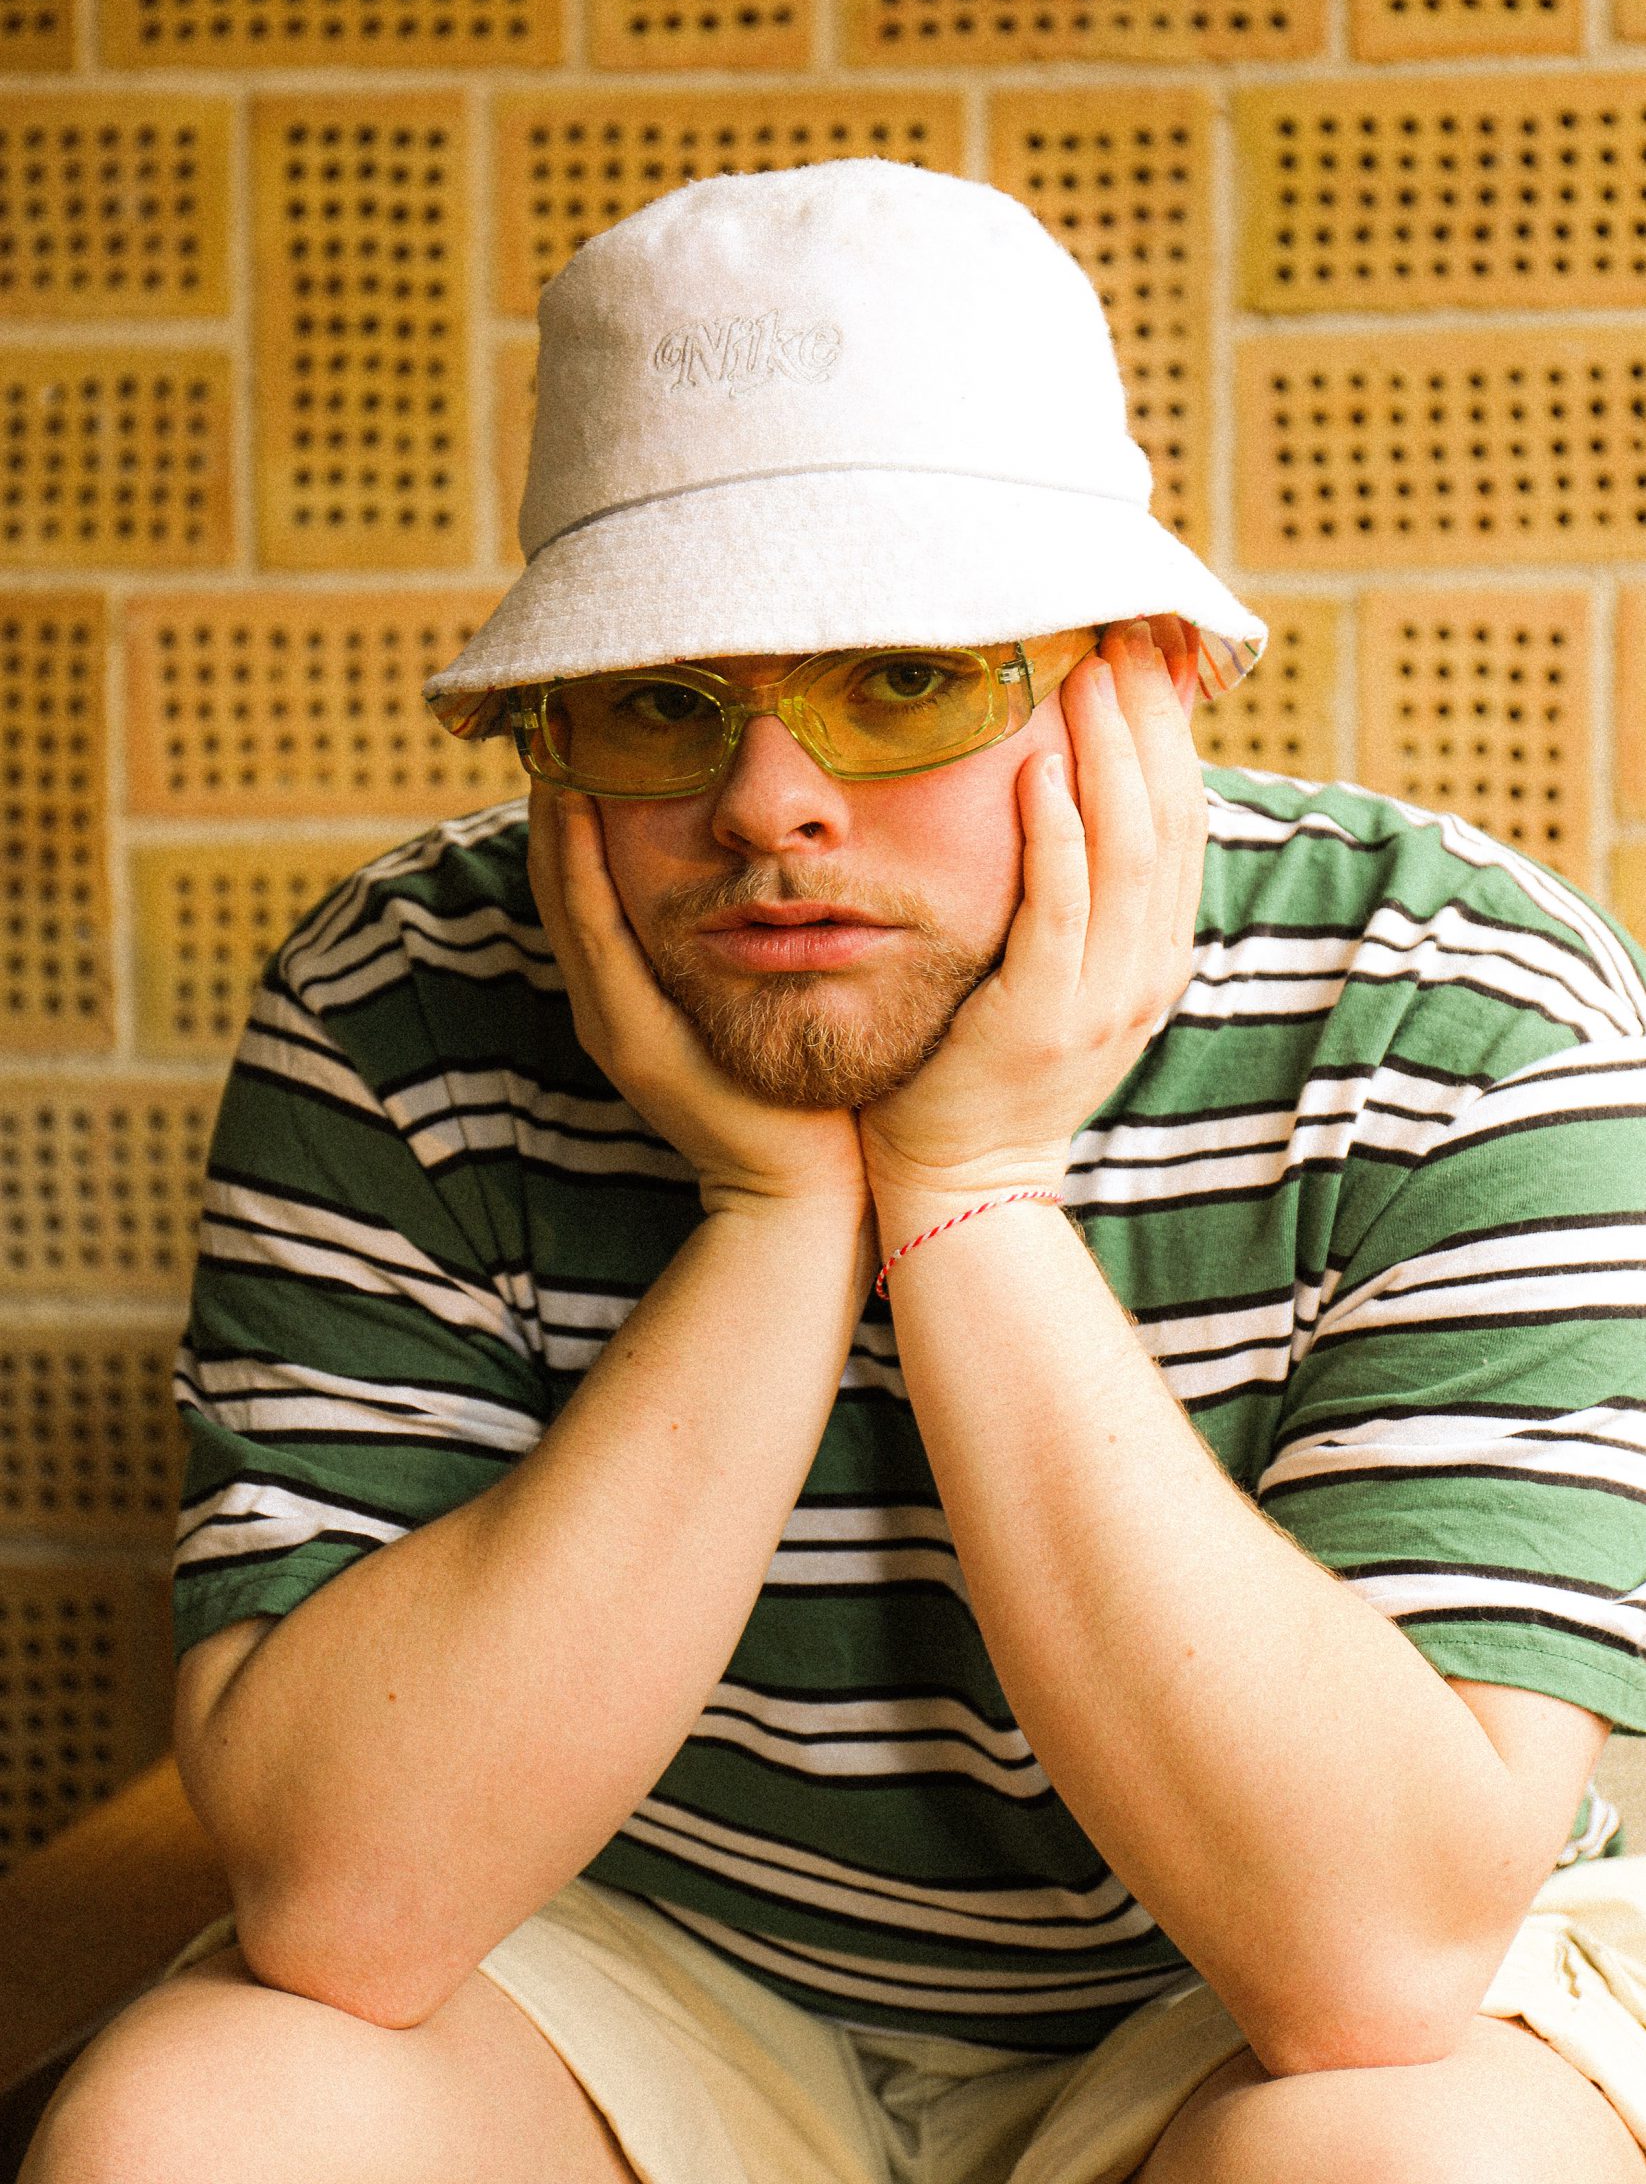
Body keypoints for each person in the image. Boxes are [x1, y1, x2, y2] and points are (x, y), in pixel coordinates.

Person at [24, 159, 1646, 2184]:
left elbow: (1373, 1966)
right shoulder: (397, 1005)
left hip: (1257, 2025)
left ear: (1139, 677)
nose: (768, 803)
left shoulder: (1458, 1007)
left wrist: (975, 1178)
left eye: (901, 677)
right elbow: (349, 1909)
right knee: (197, 2130)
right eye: (660, 699)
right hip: (646, 1969)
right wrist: (775, 1214)